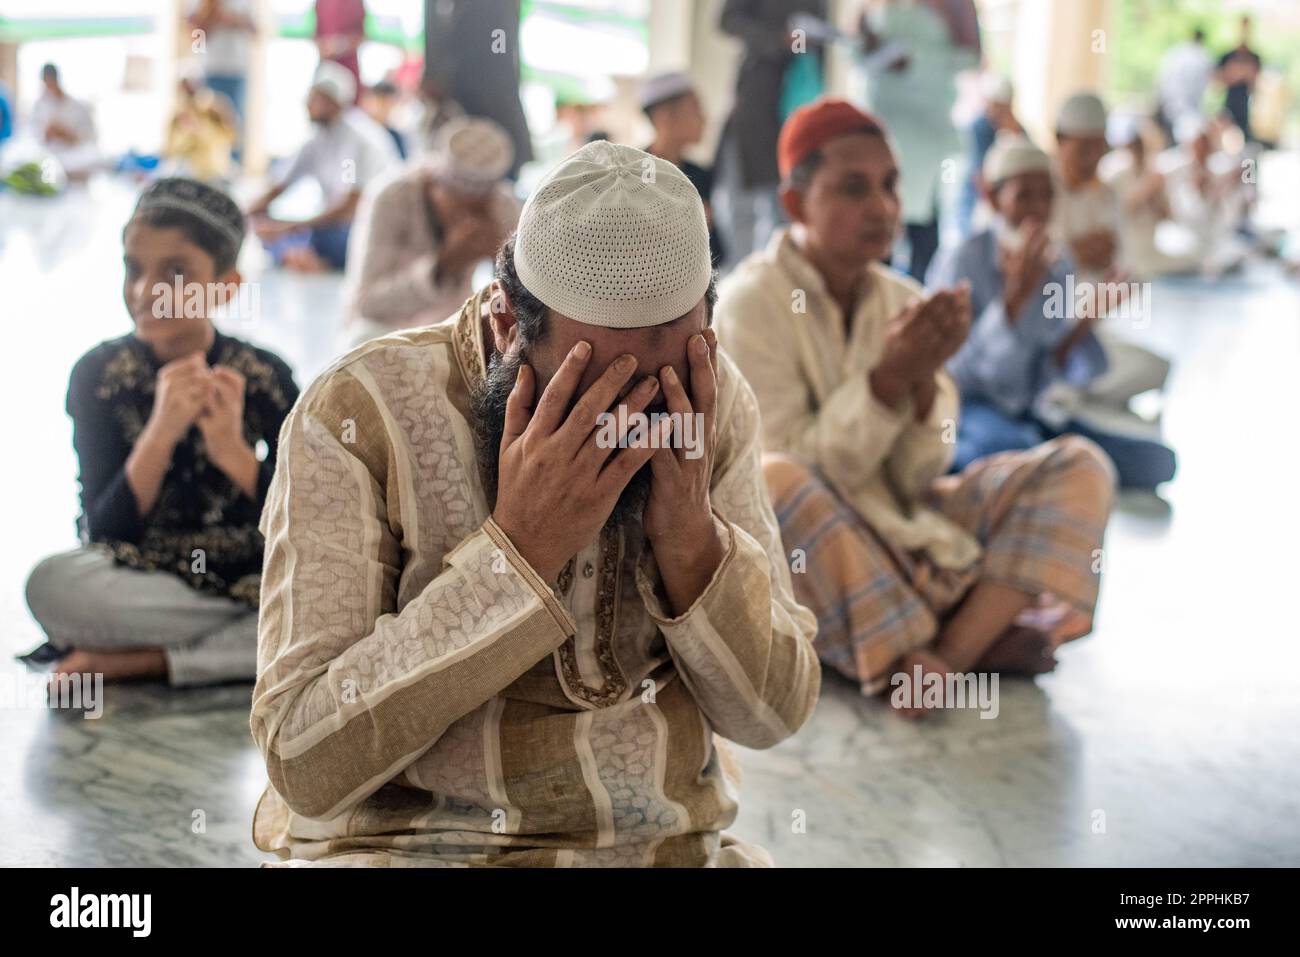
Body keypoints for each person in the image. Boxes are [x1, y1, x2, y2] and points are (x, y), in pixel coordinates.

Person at [249, 140, 820, 867]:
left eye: (659, 386)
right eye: (596, 390)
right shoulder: (360, 412)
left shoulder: (710, 399)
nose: (631, 420)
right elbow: (304, 761)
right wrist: (517, 557)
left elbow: (774, 712)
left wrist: (690, 542)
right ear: (506, 327)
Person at [714, 99, 1115, 710]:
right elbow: (791, 478)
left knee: (1081, 465)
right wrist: (886, 381)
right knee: (774, 481)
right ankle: (974, 636)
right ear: (796, 204)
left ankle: (940, 657)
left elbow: (919, 475)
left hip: (907, 526)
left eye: (891, 186)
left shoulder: (903, 295)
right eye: (854, 189)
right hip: (821, 545)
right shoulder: (751, 301)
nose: (882, 208)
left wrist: (924, 387)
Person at [22, 178, 299, 686]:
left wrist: (232, 453)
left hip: (251, 576)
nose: (144, 290)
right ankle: (253, 644)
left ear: (226, 286)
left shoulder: (264, 375)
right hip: (147, 580)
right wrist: (161, 431)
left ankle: (148, 659)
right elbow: (103, 533)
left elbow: (307, 525)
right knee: (51, 585)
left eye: (175, 272)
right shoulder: (98, 374)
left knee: (334, 590)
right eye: (134, 268)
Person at [930, 134, 1177, 489]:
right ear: (992, 197)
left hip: (1032, 413)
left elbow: (1050, 370)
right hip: (971, 409)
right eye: (1024, 195)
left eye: (1047, 195)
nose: (1038, 207)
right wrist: (1013, 300)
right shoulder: (963, 259)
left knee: (1158, 462)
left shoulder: (1057, 266)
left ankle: (1031, 465)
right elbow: (954, 372)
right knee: (1014, 447)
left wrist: (1085, 322)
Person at [343, 117, 519, 346]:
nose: (467, 216)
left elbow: (519, 304)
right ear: (435, 186)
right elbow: (366, 303)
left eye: (475, 208)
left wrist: (501, 262)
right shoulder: (391, 196)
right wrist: (441, 266)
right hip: (386, 327)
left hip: (454, 328)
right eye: (458, 203)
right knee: (364, 338)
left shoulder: (500, 206)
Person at [1052, 92, 1172, 420]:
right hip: (1045, 330)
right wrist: (1077, 252)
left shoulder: (1107, 195)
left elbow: (1123, 270)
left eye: (1097, 147)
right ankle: (1061, 391)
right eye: (1082, 147)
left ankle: (1068, 392)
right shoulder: (1038, 188)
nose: (1091, 157)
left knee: (1156, 369)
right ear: (1060, 141)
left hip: (1089, 325)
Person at [854, 0, 982, 280]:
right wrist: (867, 50)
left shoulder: (957, 5)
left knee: (923, 234)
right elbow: (853, 48)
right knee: (877, 226)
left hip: (928, 132)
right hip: (882, 128)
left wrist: (918, 59)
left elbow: (973, 58)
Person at [246, 62, 399, 272]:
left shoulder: (358, 138)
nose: (307, 104)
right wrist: (242, 215)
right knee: (268, 226)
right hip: (332, 225)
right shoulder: (317, 140)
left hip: (363, 227)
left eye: (315, 98)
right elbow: (278, 187)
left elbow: (349, 208)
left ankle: (303, 255)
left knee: (330, 235)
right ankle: (302, 256)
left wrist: (291, 227)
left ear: (334, 102)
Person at [713, 0, 829, 271]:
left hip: (797, 102)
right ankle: (739, 286)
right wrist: (778, 39)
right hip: (756, 103)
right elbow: (727, 20)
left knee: (786, 208)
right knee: (743, 208)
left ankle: (777, 280)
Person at [640, 71, 725, 267]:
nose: (704, 118)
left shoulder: (703, 177)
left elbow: (717, 255)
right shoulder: (631, 172)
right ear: (666, 117)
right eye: (695, 108)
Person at [959, 72, 1021, 237]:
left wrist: (1010, 130)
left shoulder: (1017, 129)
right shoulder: (979, 127)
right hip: (978, 196)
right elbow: (981, 173)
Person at [187, 0, 256, 148]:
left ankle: (235, 165)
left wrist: (235, 20)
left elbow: (256, 30)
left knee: (236, 128)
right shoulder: (201, 3)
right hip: (210, 69)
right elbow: (194, 34)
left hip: (238, 70)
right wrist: (213, 17)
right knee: (209, 127)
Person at [163, 63, 238, 182]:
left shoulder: (215, 108)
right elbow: (169, 150)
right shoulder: (178, 116)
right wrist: (186, 132)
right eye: (185, 87)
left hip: (216, 172)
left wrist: (200, 129)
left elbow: (231, 137)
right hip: (189, 174)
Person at [29, 63, 100, 180]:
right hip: (50, 156)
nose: (48, 86)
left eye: (50, 81)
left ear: (56, 79)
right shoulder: (40, 105)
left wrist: (68, 134)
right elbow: (35, 134)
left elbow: (91, 139)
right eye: (45, 82)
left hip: (73, 157)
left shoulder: (77, 107)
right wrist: (47, 134)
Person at [1155, 26, 1213, 143]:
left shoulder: (1175, 54)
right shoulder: (1202, 58)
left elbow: (1161, 80)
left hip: (1174, 107)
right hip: (1184, 109)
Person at [1218, 15, 1262, 145]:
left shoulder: (1255, 57)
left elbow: (1256, 82)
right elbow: (1220, 81)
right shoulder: (1227, 56)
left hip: (1247, 107)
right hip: (1229, 105)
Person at [314, 0, 367, 96]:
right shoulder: (321, 2)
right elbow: (316, 33)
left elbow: (361, 35)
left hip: (348, 69)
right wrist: (323, 48)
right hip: (326, 65)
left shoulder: (355, 3)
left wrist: (340, 46)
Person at [361, 79, 408, 159]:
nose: (384, 108)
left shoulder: (395, 136)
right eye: (381, 101)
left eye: (389, 103)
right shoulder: (360, 129)